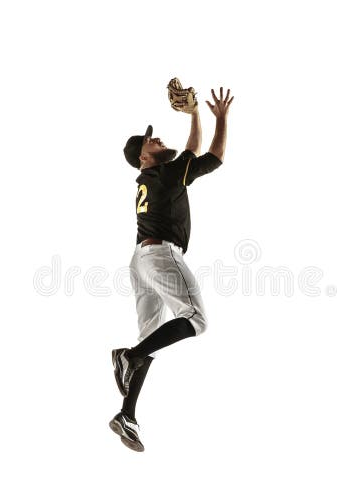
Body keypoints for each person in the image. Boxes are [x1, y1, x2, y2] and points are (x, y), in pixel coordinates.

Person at [109, 87, 235, 452]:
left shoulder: (156, 176)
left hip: (140, 261)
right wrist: (220, 118)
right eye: (151, 140)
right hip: (161, 256)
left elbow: (191, 151)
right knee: (195, 319)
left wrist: (195, 115)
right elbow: (213, 155)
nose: (158, 139)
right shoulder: (164, 173)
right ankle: (126, 357)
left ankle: (126, 414)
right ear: (144, 157)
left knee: (149, 341)